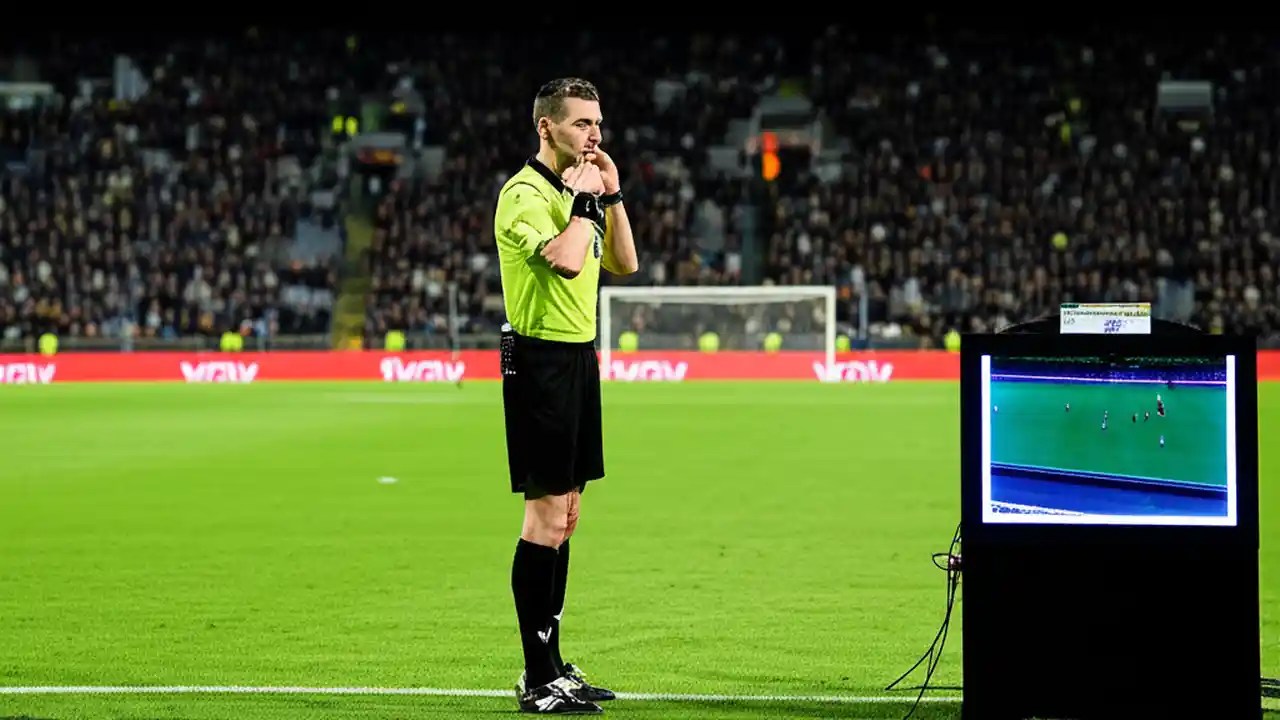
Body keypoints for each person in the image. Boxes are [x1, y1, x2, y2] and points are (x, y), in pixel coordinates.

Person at [493, 77, 639, 715]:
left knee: (569, 516)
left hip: (579, 356)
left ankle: (553, 664)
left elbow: (624, 264)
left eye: (599, 124)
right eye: (582, 124)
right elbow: (569, 261)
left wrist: (612, 195)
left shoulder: (578, 190)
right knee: (545, 519)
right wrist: (582, 204)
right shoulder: (522, 195)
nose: (594, 135)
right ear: (546, 127)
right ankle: (535, 676)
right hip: (540, 361)